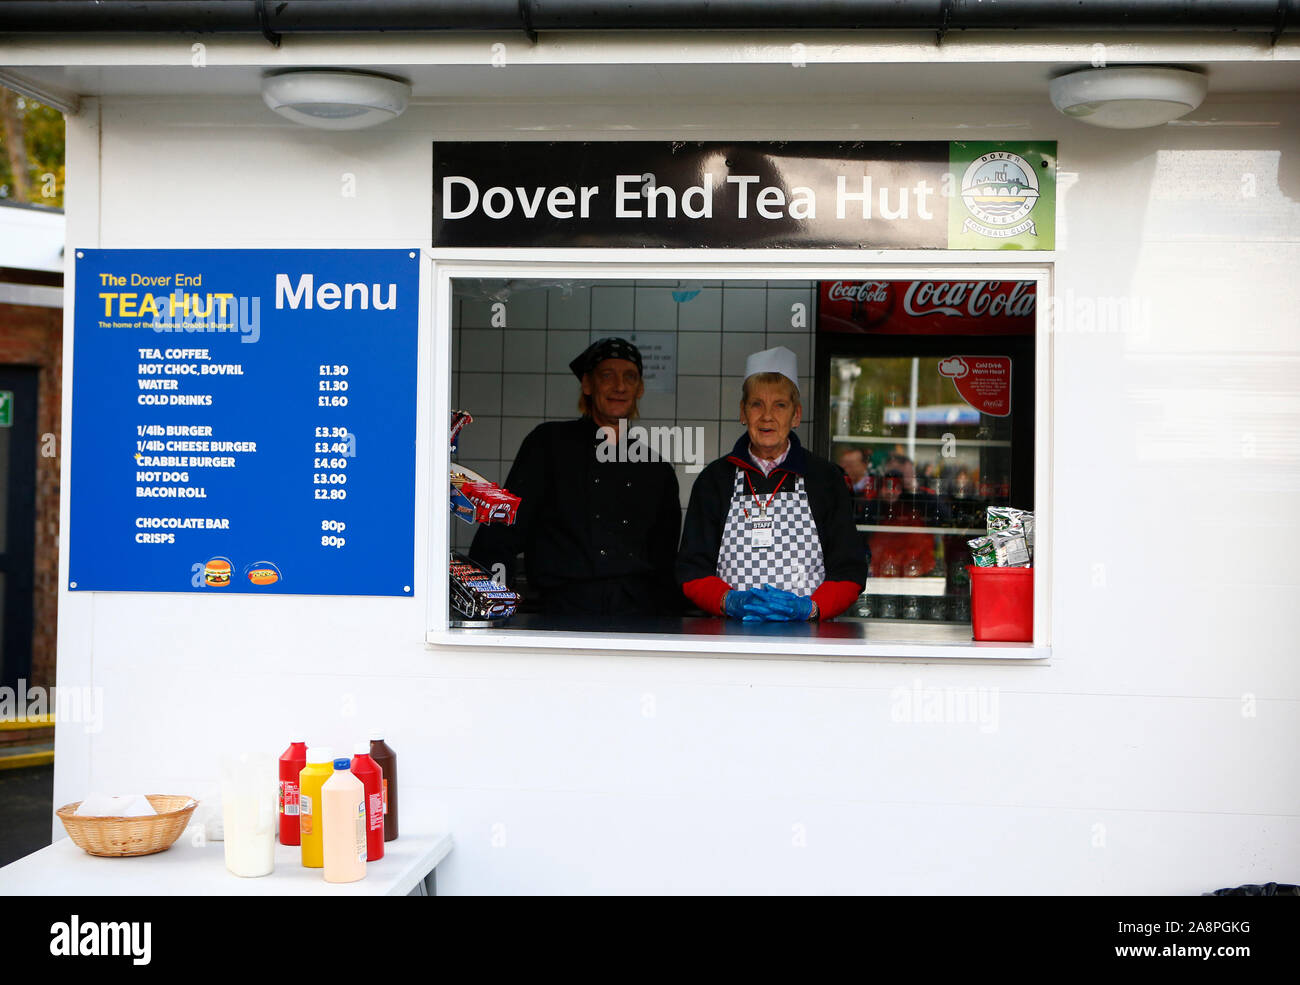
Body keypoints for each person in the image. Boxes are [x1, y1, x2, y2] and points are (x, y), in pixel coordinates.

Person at [469, 337, 681, 618]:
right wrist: (491, 605)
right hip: (561, 610)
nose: (619, 386)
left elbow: (665, 560)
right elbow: (502, 530)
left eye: (629, 377)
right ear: (588, 384)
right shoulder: (548, 444)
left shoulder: (656, 468)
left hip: (637, 614)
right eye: (608, 375)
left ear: (639, 388)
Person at [676, 346, 867, 622]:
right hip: (730, 640)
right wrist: (730, 601)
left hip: (809, 639)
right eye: (756, 404)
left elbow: (850, 571)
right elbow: (691, 572)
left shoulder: (825, 479)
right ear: (743, 413)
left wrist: (810, 608)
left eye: (780, 405)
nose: (767, 416)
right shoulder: (714, 480)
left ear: (796, 415)